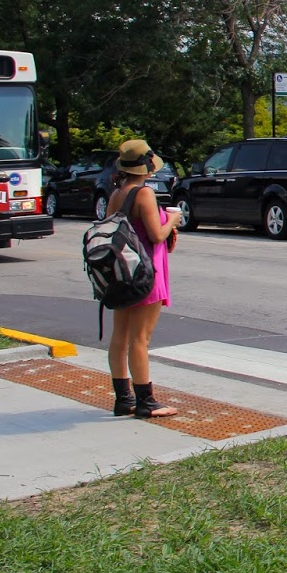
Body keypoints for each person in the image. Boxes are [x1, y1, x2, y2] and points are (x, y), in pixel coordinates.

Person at [105, 139, 183, 418]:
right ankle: (146, 401)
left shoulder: (116, 194)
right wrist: (172, 221)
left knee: (121, 337)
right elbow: (156, 235)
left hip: (122, 271)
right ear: (147, 166)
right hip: (146, 272)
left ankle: (123, 398)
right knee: (140, 339)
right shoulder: (144, 194)